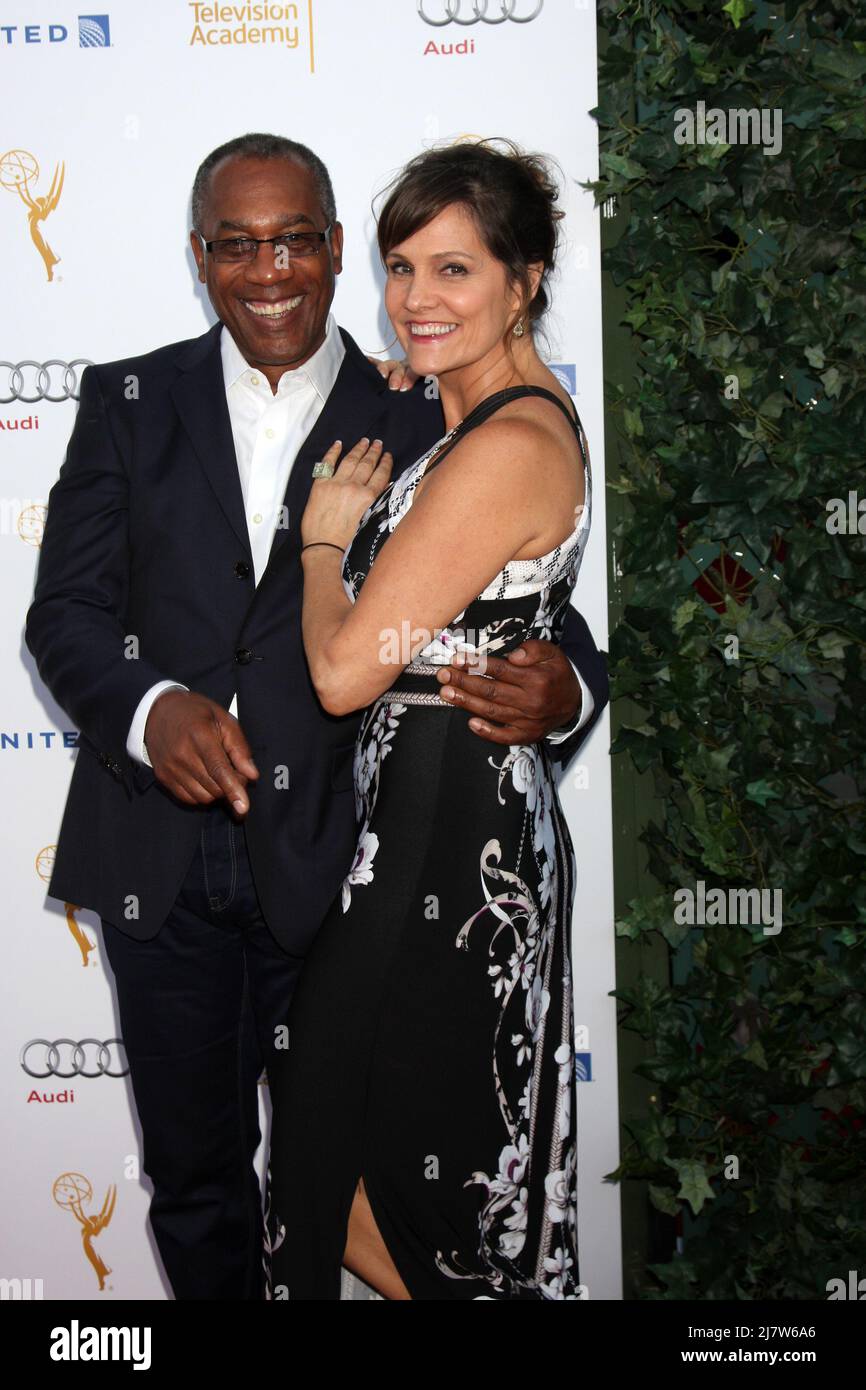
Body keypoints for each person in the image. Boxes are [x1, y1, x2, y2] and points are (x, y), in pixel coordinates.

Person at [24, 133, 607, 1302]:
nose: (269, 268)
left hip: (348, 868)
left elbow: (520, 585)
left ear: (336, 251)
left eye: (294, 239)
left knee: (356, 1178)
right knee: (198, 1182)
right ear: (201, 259)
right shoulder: (127, 399)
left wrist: (576, 684)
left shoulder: (418, 402)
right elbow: (63, 618)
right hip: (162, 860)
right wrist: (148, 709)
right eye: (237, 246)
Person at [265, 140, 593, 1301]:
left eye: (454, 271)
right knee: (378, 1160)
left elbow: (350, 673)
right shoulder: (480, 420)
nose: (416, 299)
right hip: (422, 823)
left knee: (379, 1161)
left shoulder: (505, 444)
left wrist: (323, 539)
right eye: (401, 269)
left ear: (526, 278)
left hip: (445, 840)